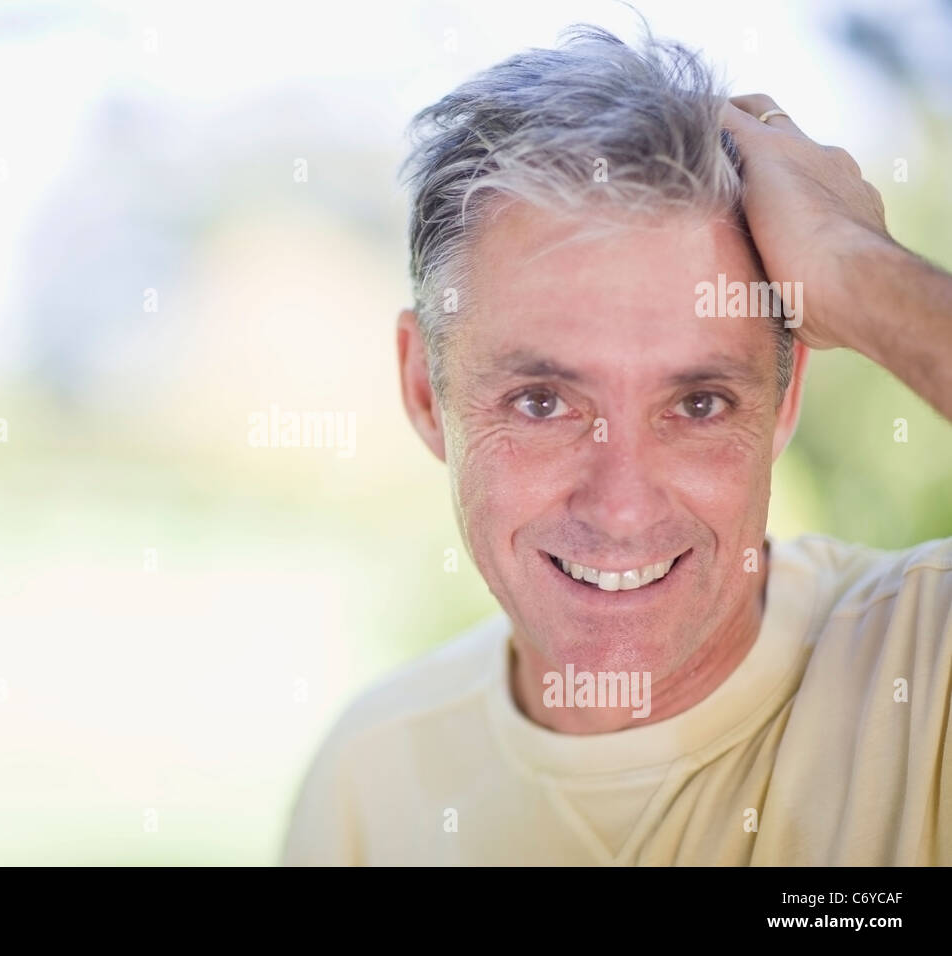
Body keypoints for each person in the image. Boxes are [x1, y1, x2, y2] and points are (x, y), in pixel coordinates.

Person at [281, 25, 952, 865]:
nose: (623, 507)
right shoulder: (367, 779)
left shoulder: (928, 674)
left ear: (785, 403)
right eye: (541, 402)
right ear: (425, 389)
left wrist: (855, 268)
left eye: (699, 403)